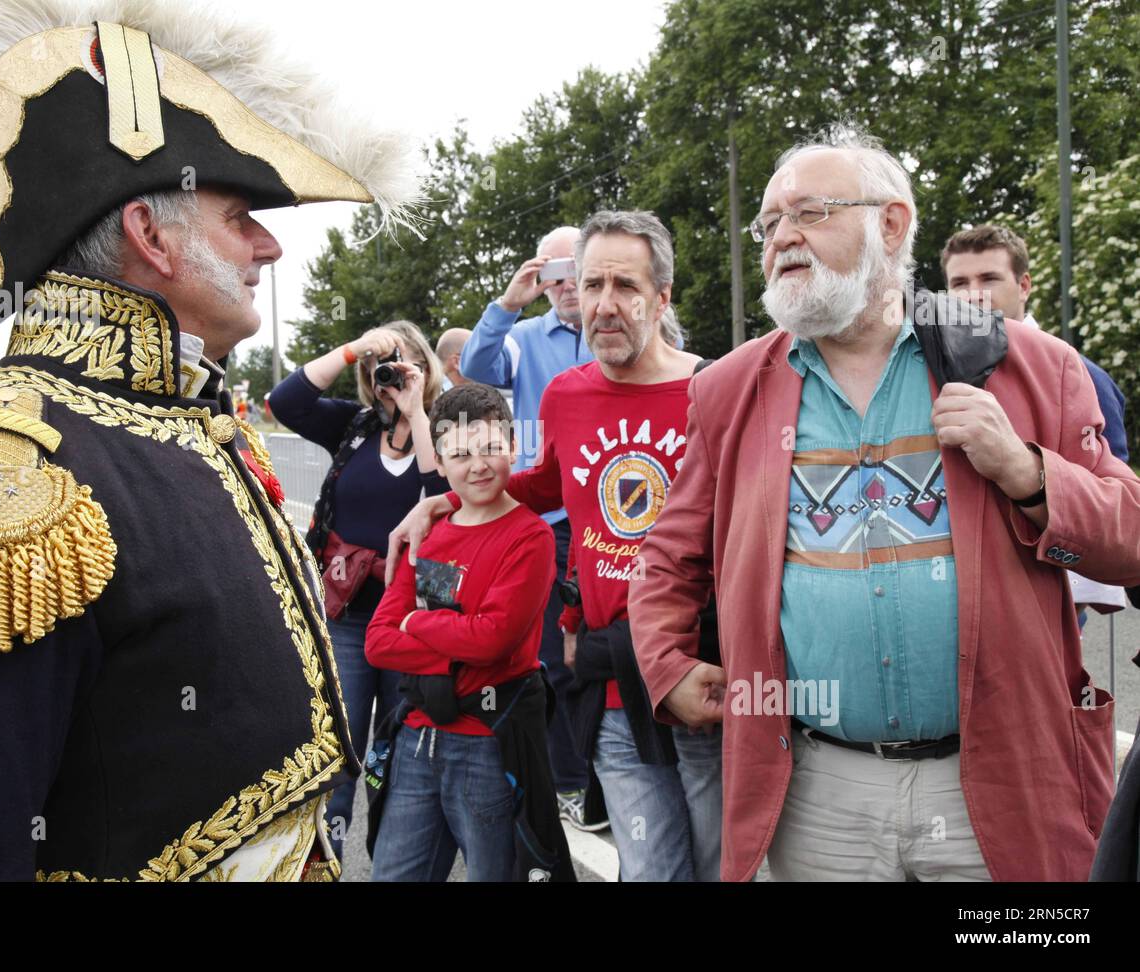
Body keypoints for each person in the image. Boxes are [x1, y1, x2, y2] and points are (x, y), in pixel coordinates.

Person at [0, 1, 421, 881]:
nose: (267, 244)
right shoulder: (6, 477)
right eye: (239, 216)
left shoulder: (190, 425)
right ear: (151, 237)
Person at [629, 123, 1140, 882]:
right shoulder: (730, 389)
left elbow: (1129, 537)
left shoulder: (1027, 366)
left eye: (809, 213)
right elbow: (670, 552)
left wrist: (1029, 475)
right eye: (770, 224)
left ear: (891, 223)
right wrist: (666, 662)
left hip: (1000, 780)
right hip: (816, 787)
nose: (781, 239)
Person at [389, 210, 722, 882]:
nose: (604, 304)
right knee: (653, 865)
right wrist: (444, 501)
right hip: (608, 678)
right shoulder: (568, 395)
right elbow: (545, 485)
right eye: (591, 283)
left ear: (661, 298)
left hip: (702, 670)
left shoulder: (714, 390)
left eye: (625, 286)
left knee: (718, 864)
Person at [365, 382, 572, 881]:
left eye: (491, 449)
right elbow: (378, 641)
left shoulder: (530, 536)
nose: (478, 465)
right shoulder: (430, 530)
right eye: (460, 453)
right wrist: (458, 639)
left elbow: (494, 638)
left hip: (486, 745)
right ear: (438, 458)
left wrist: (418, 621)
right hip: (417, 739)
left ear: (513, 448)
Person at [267, 320, 447, 859]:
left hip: (414, 623)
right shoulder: (355, 426)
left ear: (425, 363)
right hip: (346, 619)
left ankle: (395, 864)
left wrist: (416, 412)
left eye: (400, 359)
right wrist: (352, 350)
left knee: (398, 758)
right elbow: (286, 401)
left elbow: (442, 496)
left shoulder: (447, 426)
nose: (388, 371)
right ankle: (330, 864)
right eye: (380, 363)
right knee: (341, 752)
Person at [460, 226, 597, 827]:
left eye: (578, 269)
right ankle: (568, 779)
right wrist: (507, 303)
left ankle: (611, 771)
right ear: (543, 284)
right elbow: (477, 368)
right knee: (553, 657)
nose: (569, 285)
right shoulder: (522, 337)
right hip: (546, 520)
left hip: (613, 519)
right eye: (555, 274)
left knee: (617, 648)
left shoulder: (618, 330)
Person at [942, 224, 1132, 623]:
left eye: (989, 278)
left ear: (1024, 284)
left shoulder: (1079, 373)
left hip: (1045, 596)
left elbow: (1109, 500)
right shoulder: (936, 369)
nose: (972, 293)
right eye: (959, 282)